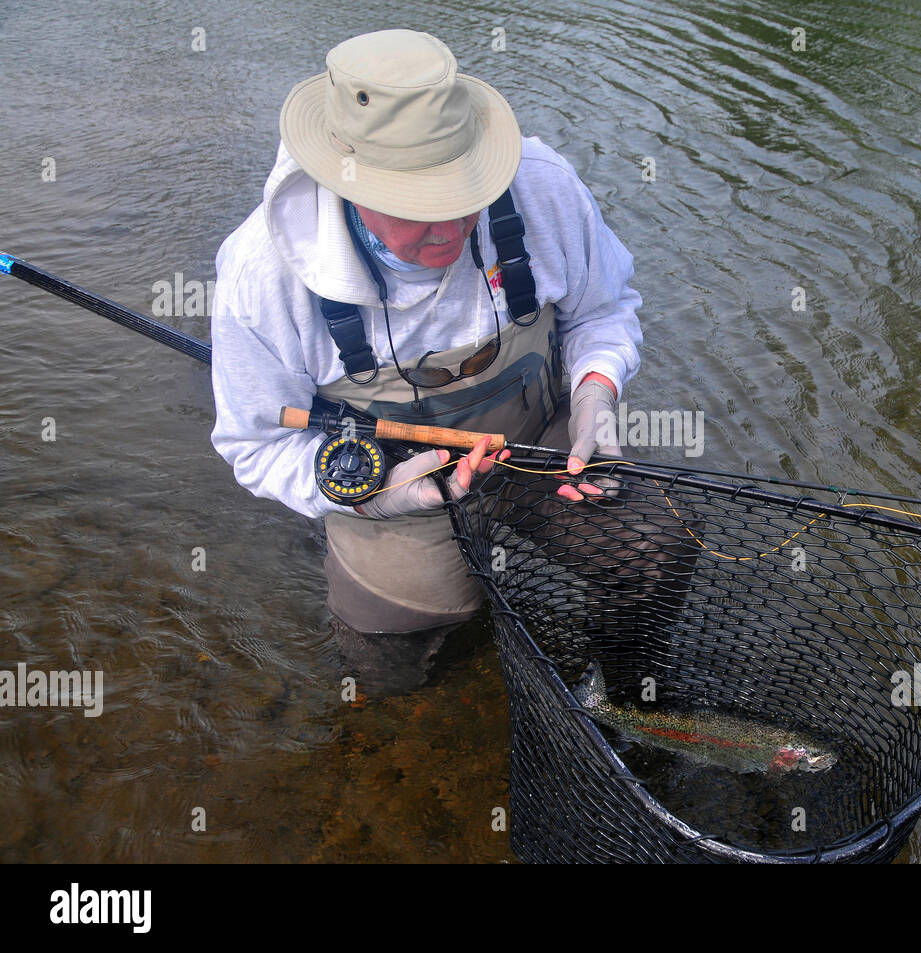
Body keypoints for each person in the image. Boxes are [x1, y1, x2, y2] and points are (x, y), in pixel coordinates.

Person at [209, 30, 646, 690]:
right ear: (343, 184)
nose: (448, 229)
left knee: (650, 551)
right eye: (416, 209)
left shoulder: (542, 184)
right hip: (393, 485)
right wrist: (378, 501)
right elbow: (256, 445)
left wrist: (595, 399)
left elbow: (603, 311)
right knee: (387, 651)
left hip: (546, 444)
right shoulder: (261, 277)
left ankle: (628, 699)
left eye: (463, 196)